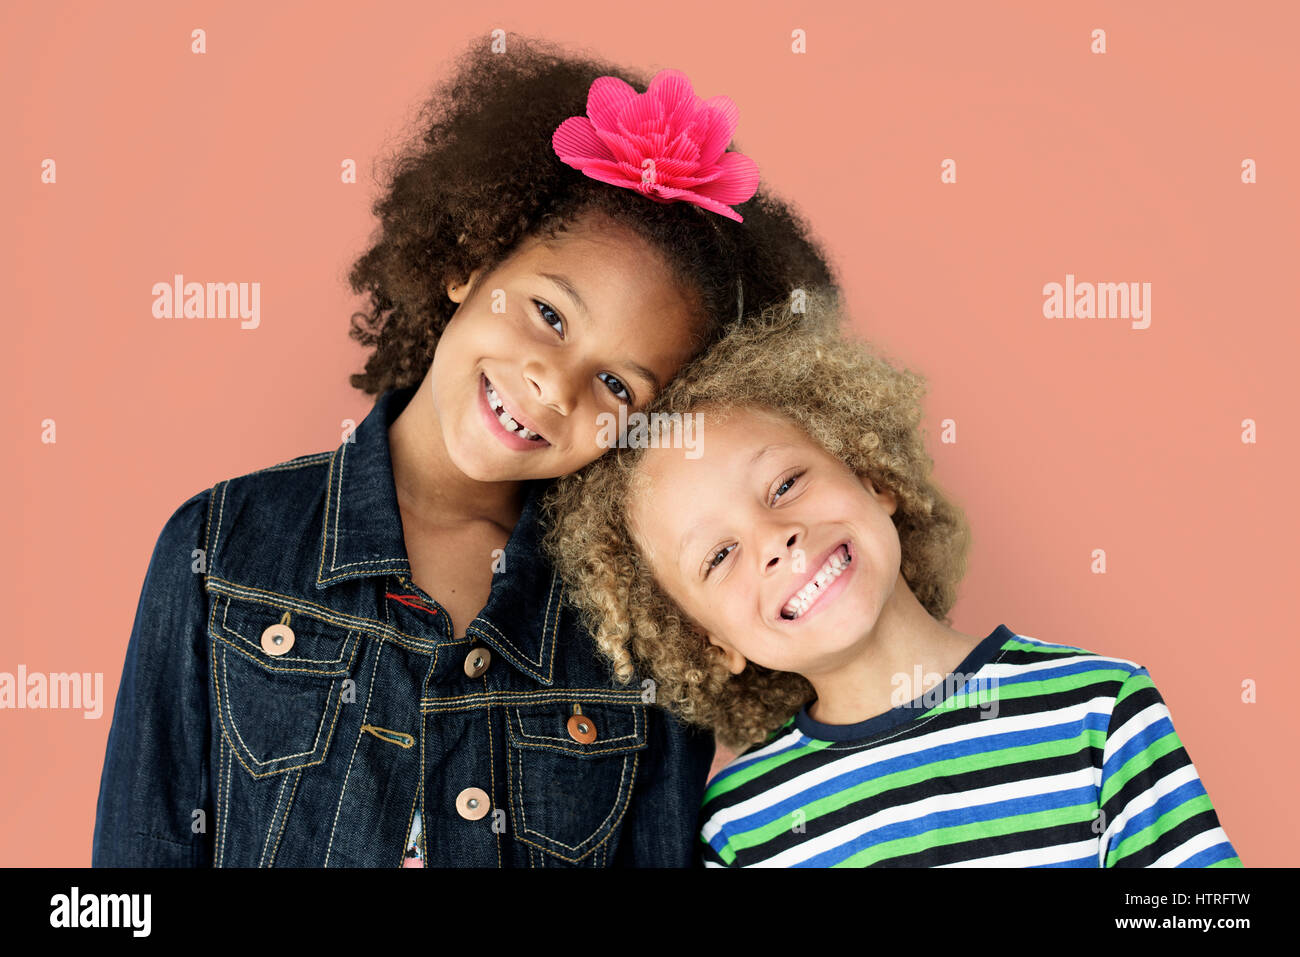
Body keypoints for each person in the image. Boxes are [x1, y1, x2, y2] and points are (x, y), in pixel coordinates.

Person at [91, 33, 837, 867]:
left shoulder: (635, 631)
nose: (555, 387)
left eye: (618, 386)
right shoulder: (222, 545)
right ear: (471, 263)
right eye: (550, 315)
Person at [541, 288, 1242, 868]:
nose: (776, 541)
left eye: (785, 483)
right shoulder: (740, 827)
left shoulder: (1100, 710)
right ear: (708, 641)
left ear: (873, 477)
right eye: (718, 556)